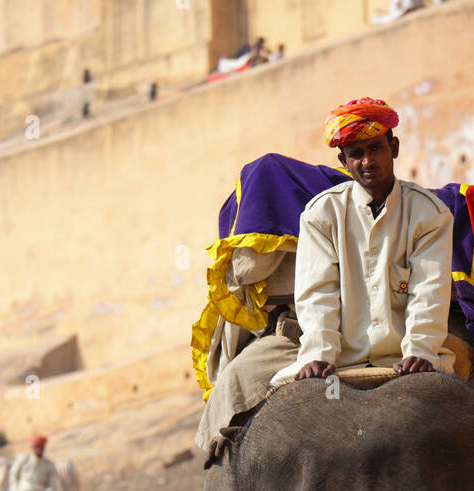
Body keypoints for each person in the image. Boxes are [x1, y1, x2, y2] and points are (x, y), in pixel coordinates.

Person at [196, 96, 460, 456]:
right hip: (337, 355)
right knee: (236, 383)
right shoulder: (321, 214)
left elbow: (429, 291)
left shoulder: (429, 214)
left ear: (393, 148)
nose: (367, 161)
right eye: (356, 153)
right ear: (343, 161)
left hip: (405, 353)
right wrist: (319, 353)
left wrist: (420, 351)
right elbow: (317, 292)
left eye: (375, 148)